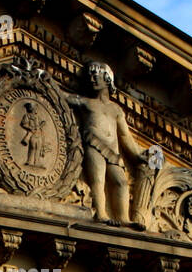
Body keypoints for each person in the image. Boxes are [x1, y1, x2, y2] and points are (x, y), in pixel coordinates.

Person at [65, 61, 153, 226]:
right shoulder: (86, 102)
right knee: (98, 180)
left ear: (107, 79)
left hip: (113, 151)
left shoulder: (116, 109)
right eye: (90, 76)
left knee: (121, 182)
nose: (92, 79)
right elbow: (64, 97)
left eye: (95, 75)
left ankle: (123, 219)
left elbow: (125, 136)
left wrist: (136, 155)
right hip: (93, 144)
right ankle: (101, 213)